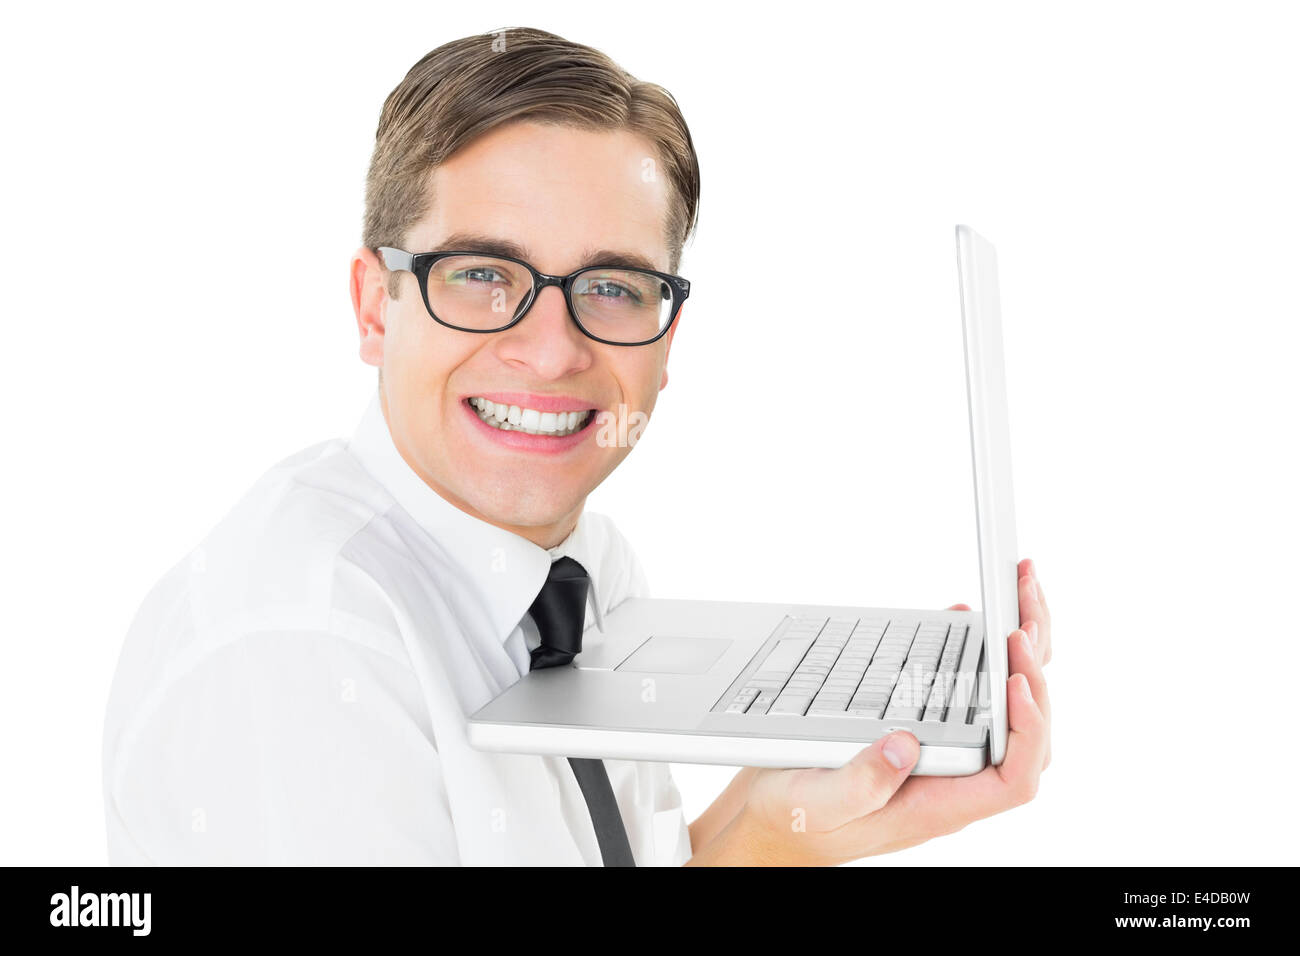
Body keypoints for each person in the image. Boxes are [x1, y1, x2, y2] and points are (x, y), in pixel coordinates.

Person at [102, 26, 1051, 866]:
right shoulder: (301, 652)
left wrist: (789, 817)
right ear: (372, 307)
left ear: (667, 340)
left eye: (611, 287)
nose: (552, 350)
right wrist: (763, 853)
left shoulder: (584, 569)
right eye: (480, 273)